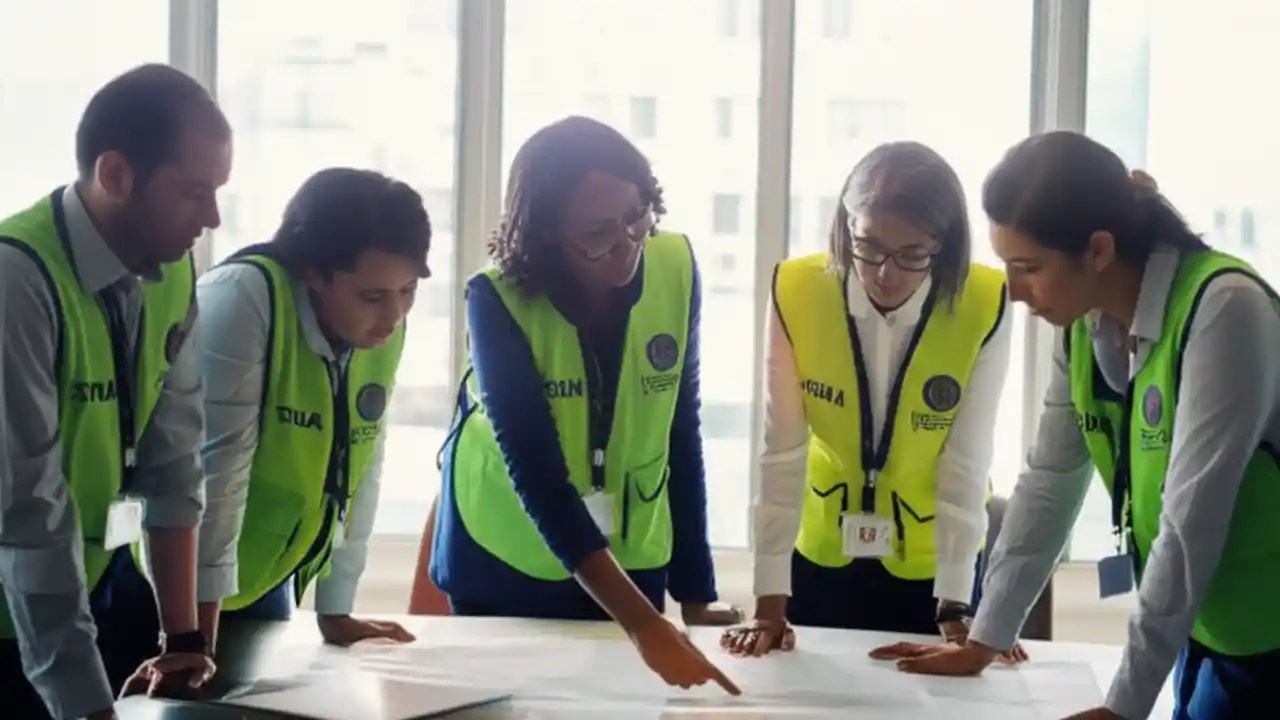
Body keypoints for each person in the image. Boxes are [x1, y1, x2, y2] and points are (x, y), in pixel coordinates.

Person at [875, 131, 1280, 720]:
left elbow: (1191, 528)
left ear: (1097, 250)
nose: (1013, 291)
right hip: (1210, 629)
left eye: (1028, 267)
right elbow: (1048, 482)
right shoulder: (1085, 327)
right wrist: (983, 640)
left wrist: (1122, 707)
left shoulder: (1224, 310)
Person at [425, 115, 740, 693]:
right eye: (596, 234)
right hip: (506, 557)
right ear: (544, 233)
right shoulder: (494, 299)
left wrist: (694, 595)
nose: (626, 245)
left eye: (637, 216)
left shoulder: (674, 267)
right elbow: (535, 471)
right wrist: (646, 626)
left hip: (631, 550)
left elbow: (678, 428)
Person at [719, 142, 1020, 657]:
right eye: (869, 246)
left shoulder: (984, 301)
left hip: (928, 564)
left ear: (943, 247)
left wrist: (955, 602)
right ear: (845, 227)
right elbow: (782, 449)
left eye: (911, 255)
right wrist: (769, 599)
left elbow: (966, 460)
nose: (885, 272)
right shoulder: (796, 288)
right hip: (819, 552)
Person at [0, 64, 229, 719]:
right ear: (116, 175)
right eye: (193, 192)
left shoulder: (172, 268)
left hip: (94, 580)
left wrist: (182, 636)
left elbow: (175, 456)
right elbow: (27, 515)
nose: (210, 217)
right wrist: (83, 705)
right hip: (14, 609)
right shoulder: (17, 279)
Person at [194, 168, 429, 655]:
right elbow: (215, 475)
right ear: (313, 272)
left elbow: (361, 465)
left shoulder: (381, 327)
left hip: (266, 576)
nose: (394, 315)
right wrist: (192, 636)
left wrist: (336, 608)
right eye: (373, 296)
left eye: (408, 291)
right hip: (174, 588)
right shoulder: (242, 298)